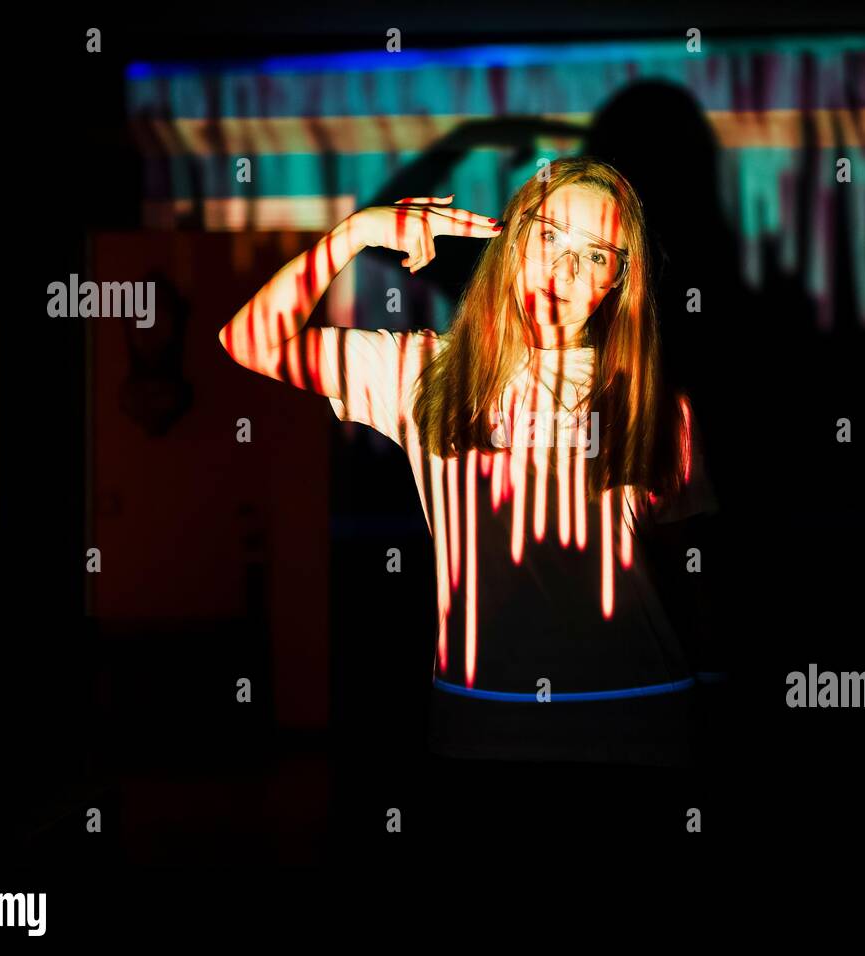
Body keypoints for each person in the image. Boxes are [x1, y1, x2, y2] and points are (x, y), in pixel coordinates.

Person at [218, 157, 718, 837]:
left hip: (644, 728)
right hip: (481, 731)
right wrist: (357, 233)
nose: (564, 271)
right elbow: (247, 340)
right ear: (513, 243)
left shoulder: (659, 407)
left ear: (618, 279)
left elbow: (692, 581)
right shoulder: (420, 372)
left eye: (594, 253)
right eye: (548, 237)